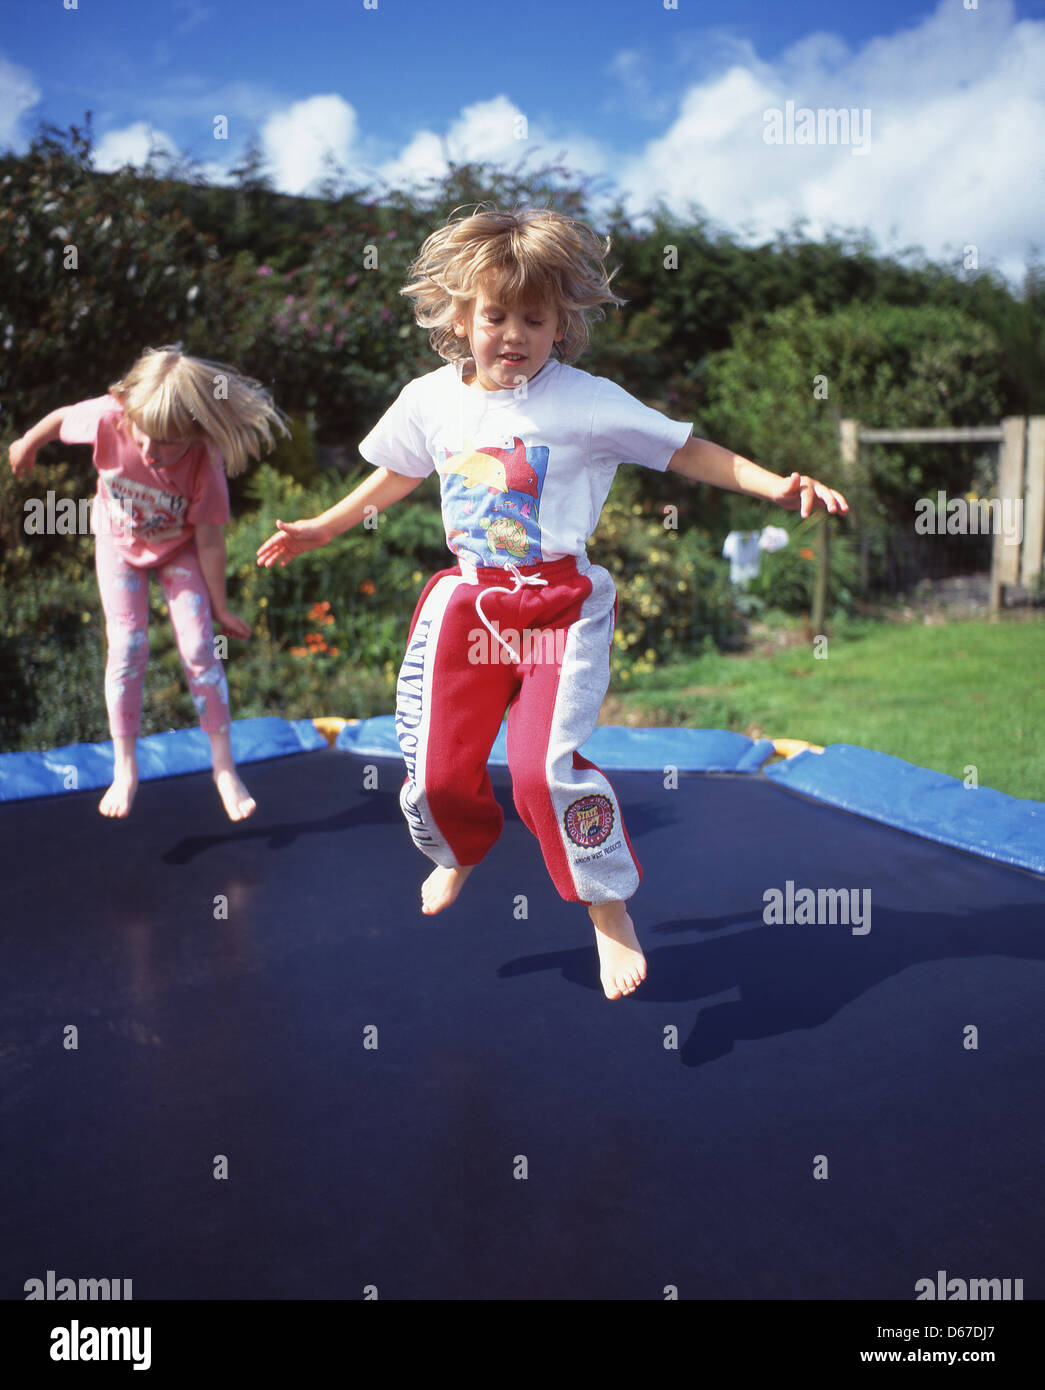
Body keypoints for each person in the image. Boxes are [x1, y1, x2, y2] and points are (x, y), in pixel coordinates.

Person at [256, 208, 848, 1000]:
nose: (513, 334)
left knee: (541, 770)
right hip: (470, 607)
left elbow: (685, 449)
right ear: (459, 316)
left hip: (557, 609)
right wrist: (323, 528)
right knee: (433, 776)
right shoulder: (429, 401)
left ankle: (607, 915)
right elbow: (395, 473)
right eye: (495, 316)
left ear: (560, 324)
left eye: (534, 319)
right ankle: (460, 851)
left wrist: (776, 484)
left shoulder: (586, 401)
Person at [9, 345, 287, 820]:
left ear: (196, 433)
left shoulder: (204, 460)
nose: (149, 449)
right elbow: (60, 419)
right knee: (127, 646)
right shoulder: (108, 417)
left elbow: (210, 541)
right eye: (143, 433)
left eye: (166, 442)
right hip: (118, 544)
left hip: (178, 550)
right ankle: (125, 766)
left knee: (201, 648)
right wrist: (28, 443)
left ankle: (223, 767)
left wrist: (219, 607)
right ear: (127, 409)